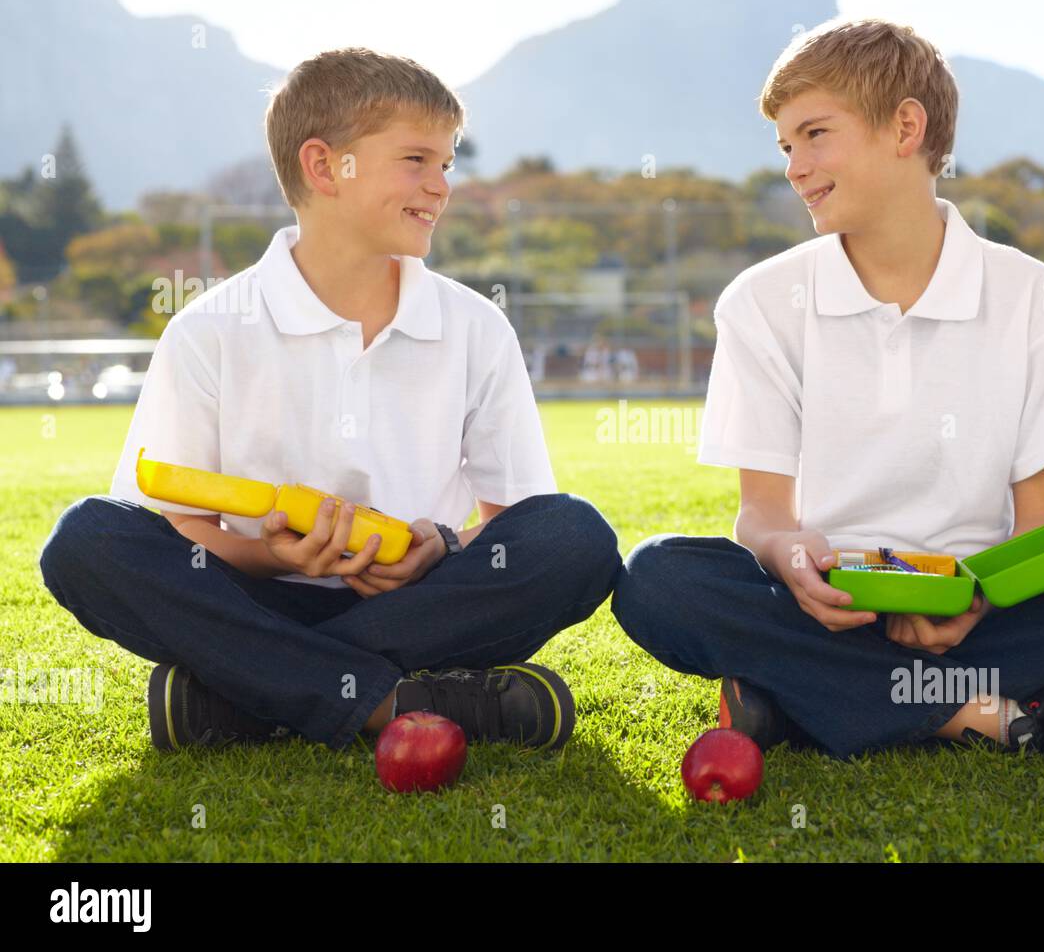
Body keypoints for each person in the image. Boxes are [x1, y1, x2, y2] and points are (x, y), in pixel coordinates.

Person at [611, 19, 1044, 766]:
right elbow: (763, 516)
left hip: (991, 607)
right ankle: (987, 710)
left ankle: (811, 701)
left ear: (905, 126)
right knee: (657, 579)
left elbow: (1042, 523)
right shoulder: (760, 301)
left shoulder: (1037, 298)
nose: (793, 167)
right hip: (832, 612)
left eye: (814, 135)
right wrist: (788, 556)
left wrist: (978, 598)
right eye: (785, 146)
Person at [39, 48, 620, 755]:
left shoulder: (476, 327)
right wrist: (271, 557)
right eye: (416, 160)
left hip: (424, 605)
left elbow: (509, 524)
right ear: (323, 167)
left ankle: (249, 693)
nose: (441, 186)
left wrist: (438, 545)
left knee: (574, 538)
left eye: (448, 163)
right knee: (87, 541)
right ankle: (402, 699)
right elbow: (180, 526)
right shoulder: (210, 329)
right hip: (253, 595)